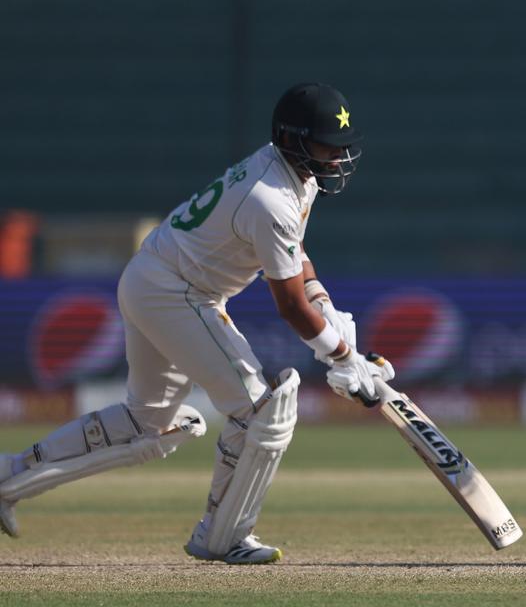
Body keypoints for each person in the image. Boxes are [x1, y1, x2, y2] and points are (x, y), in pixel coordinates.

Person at [0, 83, 394, 564]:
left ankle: (9, 478)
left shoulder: (294, 176)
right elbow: (289, 305)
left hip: (152, 279)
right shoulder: (269, 197)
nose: (335, 158)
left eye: (341, 147)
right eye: (325, 146)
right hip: (177, 293)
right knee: (261, 412)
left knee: (148, 425)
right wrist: (342, 357)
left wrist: (326, 307)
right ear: (292, 139)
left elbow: (296, 261)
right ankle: (222, 535)